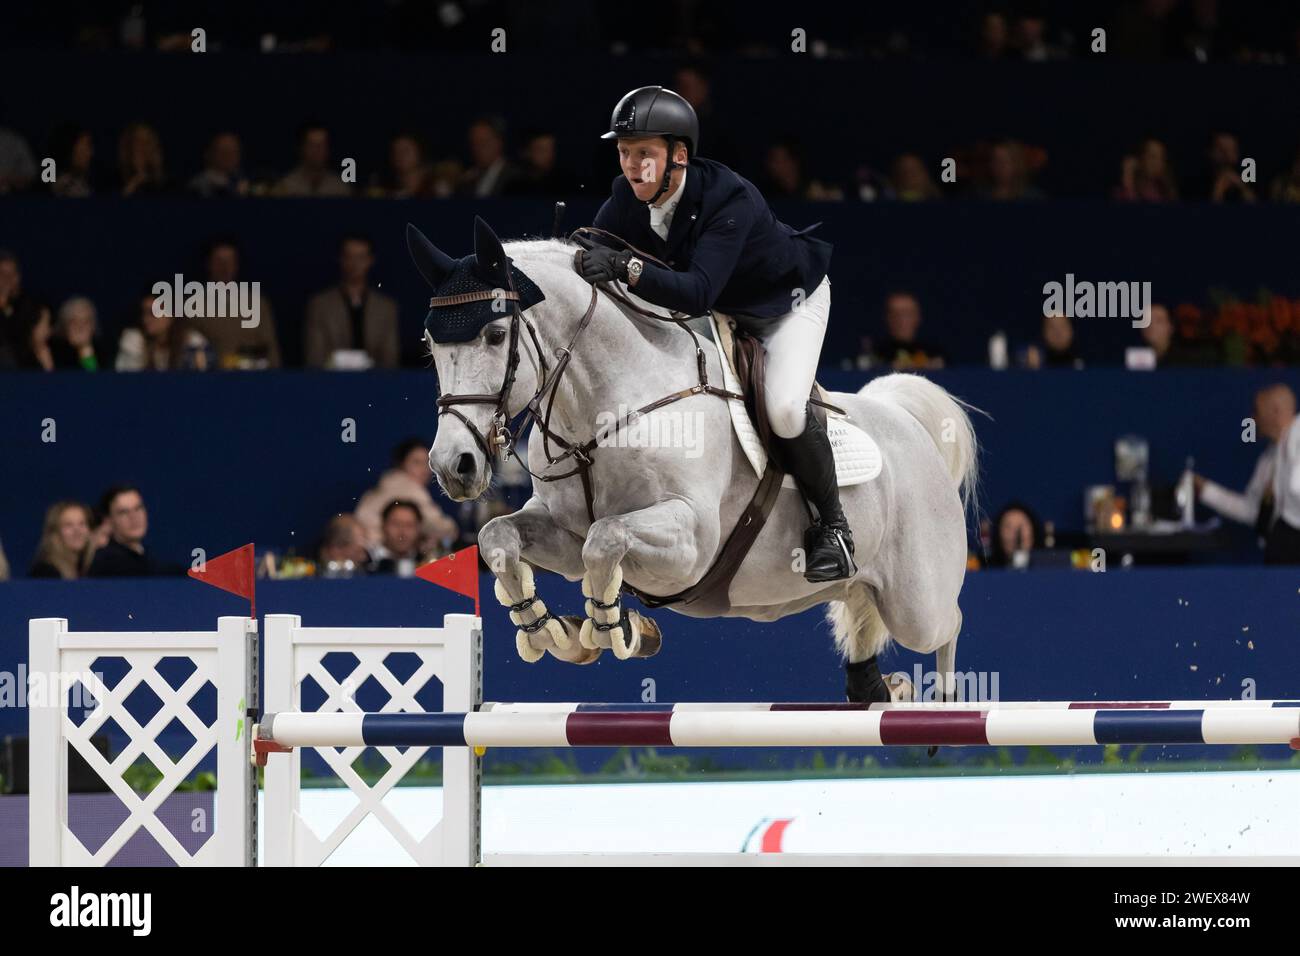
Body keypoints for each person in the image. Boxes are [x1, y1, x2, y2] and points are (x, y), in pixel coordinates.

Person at [579, 85, 849, 581]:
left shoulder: (731, 197)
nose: (632, 165)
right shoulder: (626, 197)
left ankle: (833, 528)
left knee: (786, 409)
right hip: (725, 310)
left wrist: (626, 265)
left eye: (645, 153)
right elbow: (591, 253)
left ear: (678, 155)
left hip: (787, 306)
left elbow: (698, 292)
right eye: (624, 152)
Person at [1196, 384, 1299, 561]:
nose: (1252, 419)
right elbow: (1252, 510)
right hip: (1281, 551)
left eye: (1256, 411)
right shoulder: (1267, 460)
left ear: (1275, 411)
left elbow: (1297, 488)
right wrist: (1206, 490)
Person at [304, 235, 399, 368]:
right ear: (340, 259)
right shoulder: (319, 305)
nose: (354, 264)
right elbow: (315, 358)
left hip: (376, 383)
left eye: (361, 258)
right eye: (349, 257)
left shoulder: (386, 307)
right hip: (330, 382)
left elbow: (390, 360)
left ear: (371, 260)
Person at [354, 438, 459, 552]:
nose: (424, 470)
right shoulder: (410, 488)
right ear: (401, 465)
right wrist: (451, 528)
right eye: (416, 462)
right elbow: (441, 528)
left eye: (427, 463)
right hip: (379, 555)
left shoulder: (383, 486)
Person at [86, 485, 179, 576]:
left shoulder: (149, 558)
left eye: (138, 508)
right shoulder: (107, 563)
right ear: (109, 521)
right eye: (123, 512)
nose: (134, 517)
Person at [29, 501, 97, 578]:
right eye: (68, 525)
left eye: (82, 524)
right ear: (55, 533)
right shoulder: (45, 572)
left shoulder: (90, 570)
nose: (77, 530)